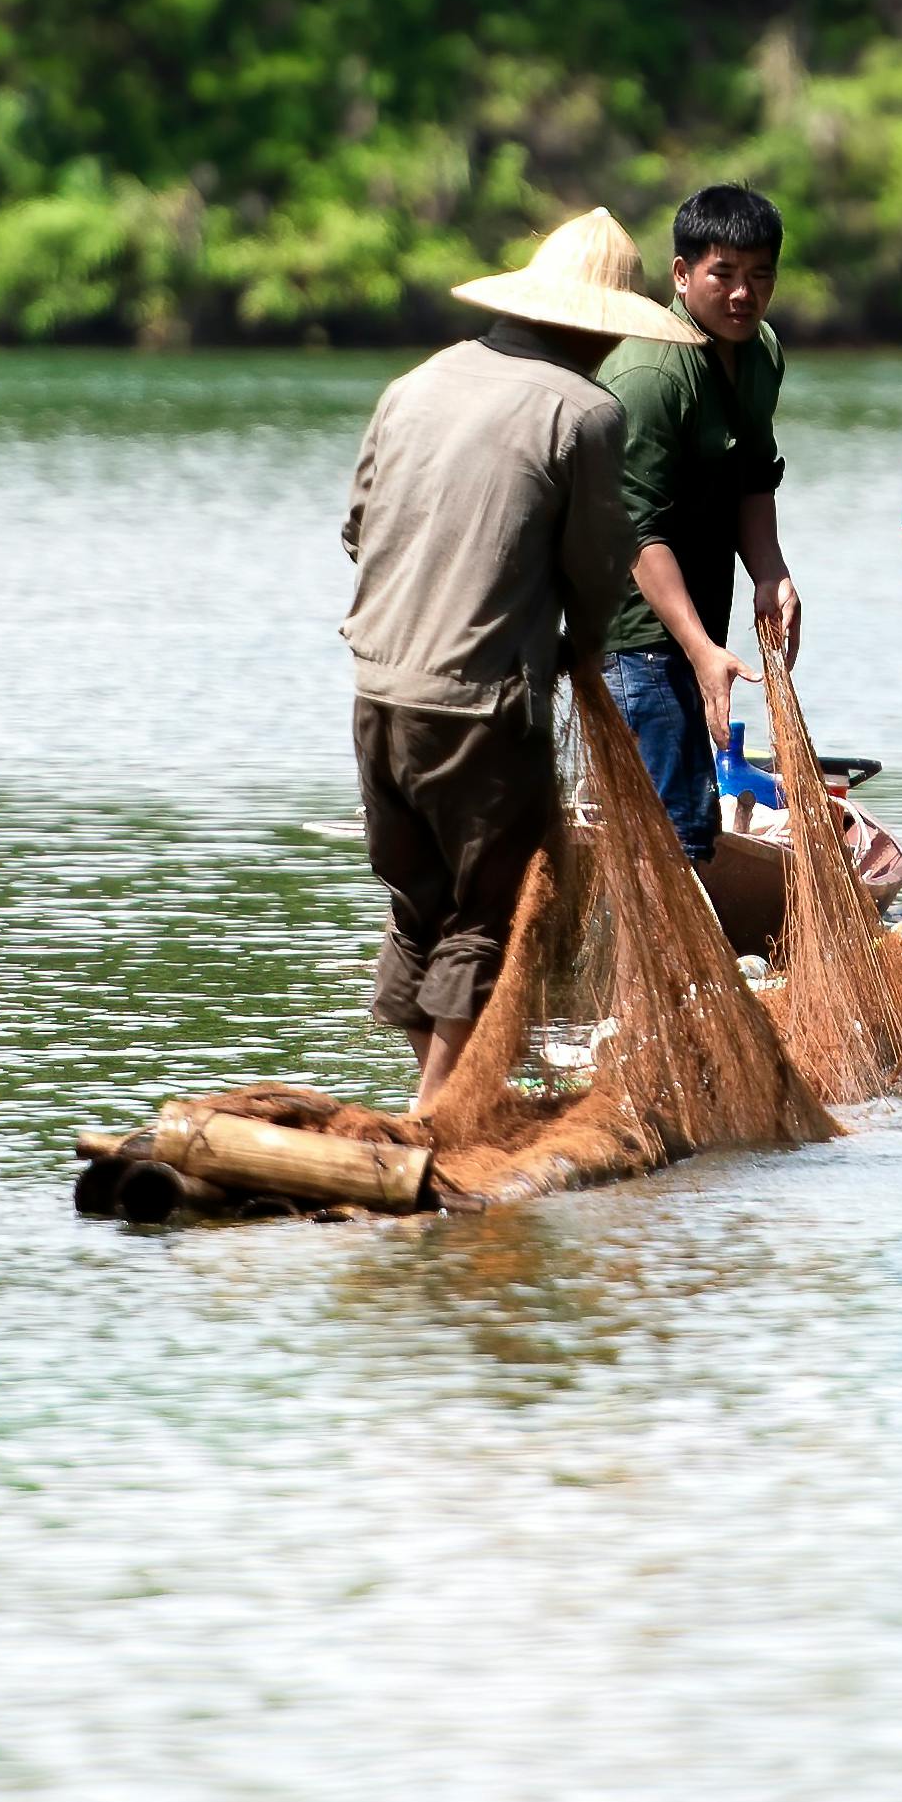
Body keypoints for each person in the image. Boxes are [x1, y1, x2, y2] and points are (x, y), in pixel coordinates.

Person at [345, 207, 701, 1120]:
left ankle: (440, 1097)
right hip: (481, 706)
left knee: (419, 908)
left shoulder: (413, 385)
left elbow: (359, 532)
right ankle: (438, 1122)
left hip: (378, 691)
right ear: (591, 324)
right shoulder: (584, 412)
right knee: (487, 920)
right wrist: (579, 657)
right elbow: (595, 572)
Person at [603, 183, 797, 865]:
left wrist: (770, 573)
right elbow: (635, 527)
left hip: (695, 621)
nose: (743, 294)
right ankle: (647, 970)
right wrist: (699, 648)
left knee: (684, 822)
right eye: (723, 275)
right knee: (674, 830)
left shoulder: (760, 351)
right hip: (635, 630)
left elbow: (753, 473)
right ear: (682, 275)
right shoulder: (653, 372)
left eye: (760, 275)